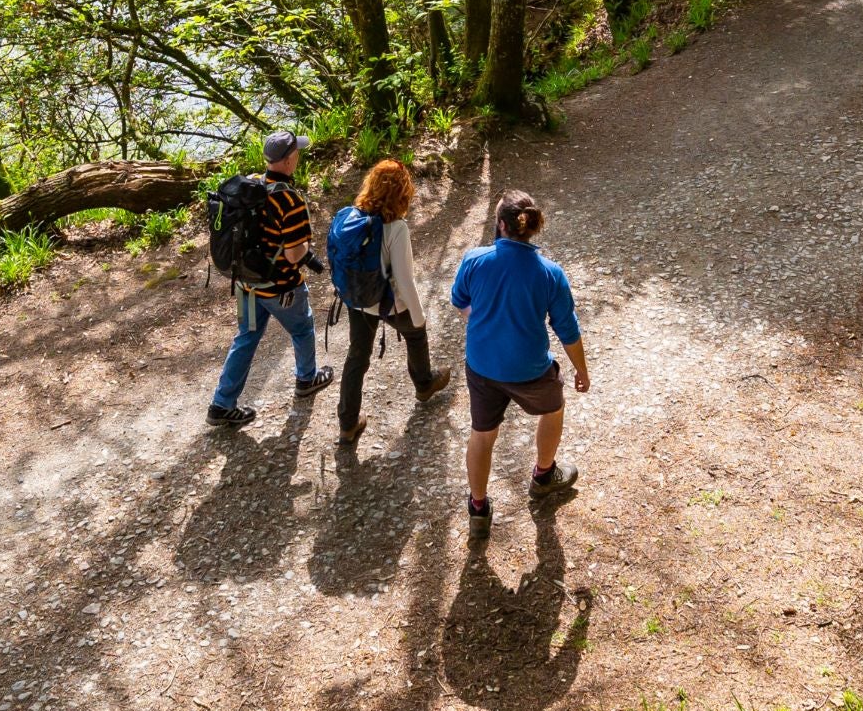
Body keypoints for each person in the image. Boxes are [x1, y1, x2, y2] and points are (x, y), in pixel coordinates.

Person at [450, 191, 589, 524]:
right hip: (530, 369)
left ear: (501, 225)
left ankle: (479, 509)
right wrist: (581, 371)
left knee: (482, 434)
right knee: (554, 407)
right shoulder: (550, 273)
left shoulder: (474, 260)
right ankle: (543, 476)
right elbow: (567, 329)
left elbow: (459, 301)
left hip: (482, 366)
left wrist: (483, 316)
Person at [205, 130, 333, 427]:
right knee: (302, 329)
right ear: (288, 162)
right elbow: (292, 254)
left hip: (247, 284)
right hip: (281, 288)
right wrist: (310, 256)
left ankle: (221, 404)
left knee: (247, 338)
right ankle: (306, 378)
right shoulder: (290, 199)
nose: (298, 157)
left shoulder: (252, 187)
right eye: (296, 153)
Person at [334, 159, 451, 447]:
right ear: (403, 192)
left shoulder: (352, 217)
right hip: (386, 302)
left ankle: (347, 425)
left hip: (358, 300)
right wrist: (419, 315)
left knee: (357, 357)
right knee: (415, 333)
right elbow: (404, 280)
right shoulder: (395, 227)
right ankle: (424, 385)